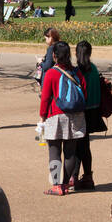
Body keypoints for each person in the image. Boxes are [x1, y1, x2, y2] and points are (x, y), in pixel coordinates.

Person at [39, 41, 87, 195]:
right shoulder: (76, 72)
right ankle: (65, 184)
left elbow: (45, 98)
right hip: (76, 116)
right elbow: (84, 91)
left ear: (54, 56)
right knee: (70, 153)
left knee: (54, 151)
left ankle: (56, 185)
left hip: (56, 115)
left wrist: (42, 117)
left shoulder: (51, 73)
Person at [73, 40, 104, 189]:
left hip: (80, 111)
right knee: (84, 145)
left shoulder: (76, 71)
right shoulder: (94, 69)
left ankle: (74, 176)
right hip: (94, 110)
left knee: (76, 146)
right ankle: (87, 176)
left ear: (76, 53)